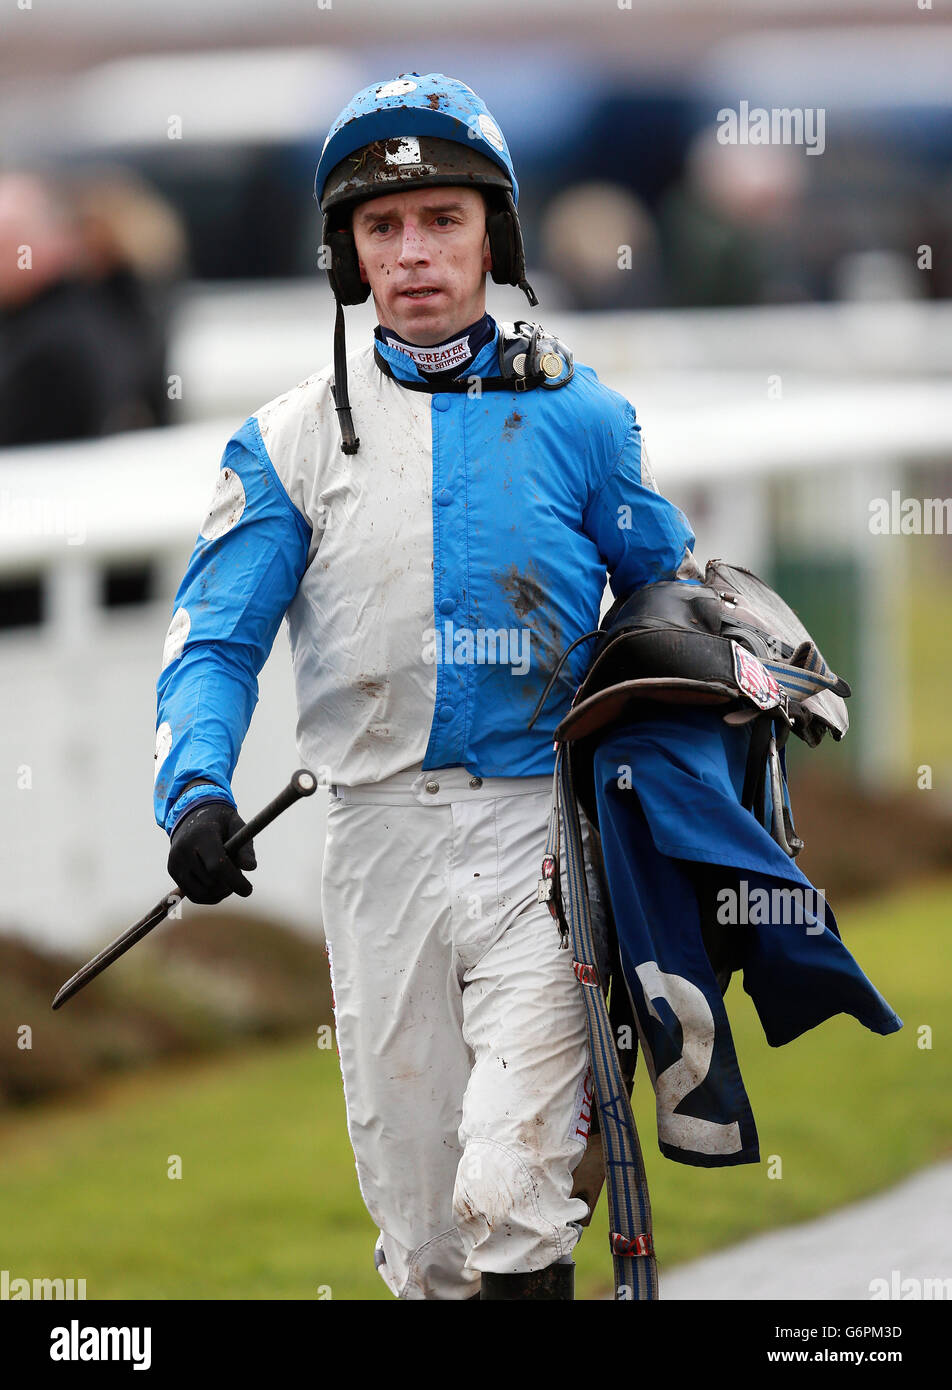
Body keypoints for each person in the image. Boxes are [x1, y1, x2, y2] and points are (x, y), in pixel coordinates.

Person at [153, 73, 696, 1301]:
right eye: (381, 228)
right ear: (347, 255)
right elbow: (214, 645)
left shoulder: (584, 414)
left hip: (538, 845)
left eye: (441, 220)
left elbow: (669, 603)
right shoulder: (284, 442)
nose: (413, 255)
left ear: (492, 237)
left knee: (511, 1198)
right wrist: (193, 791)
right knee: (429, 1248)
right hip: (376, 846)